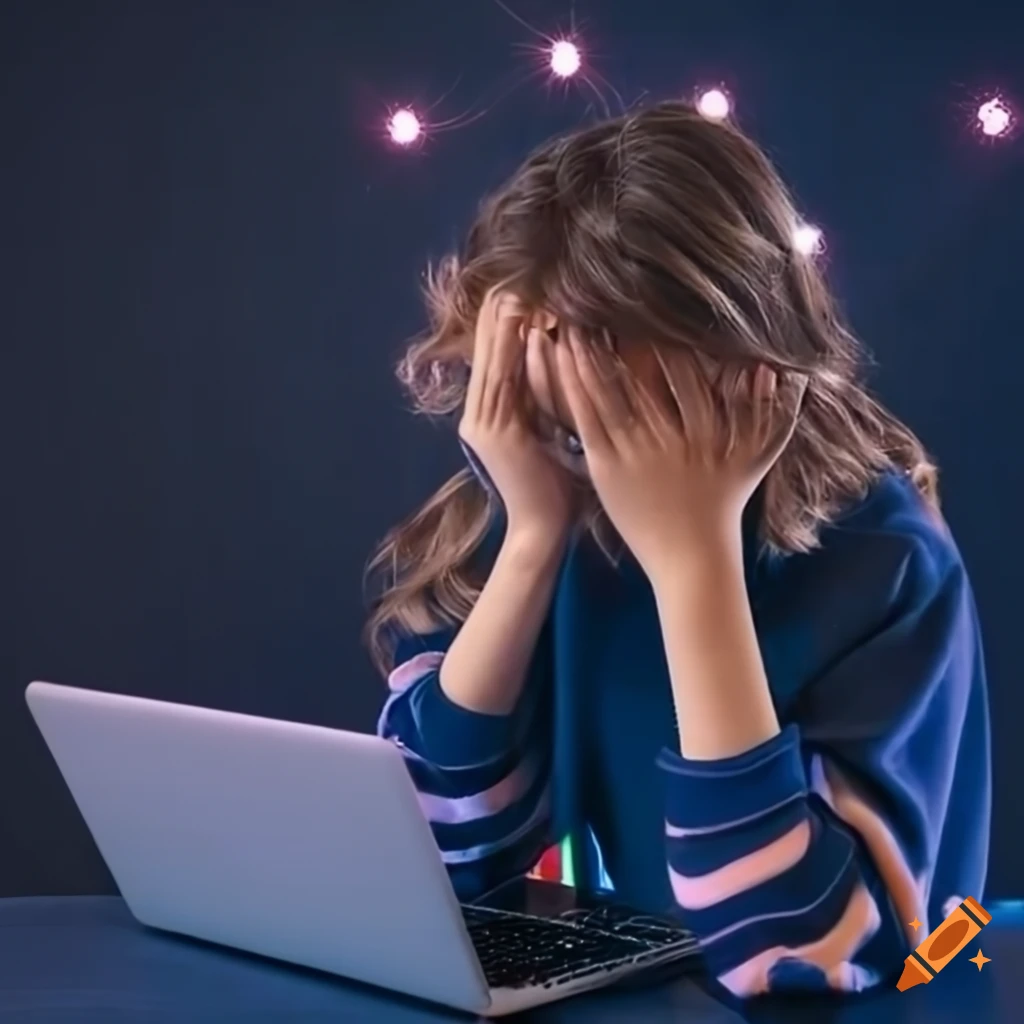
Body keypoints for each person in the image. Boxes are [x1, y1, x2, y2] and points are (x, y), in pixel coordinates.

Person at [364, 100, 990, 998]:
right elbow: (438, 866)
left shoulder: (885, 561)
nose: (590, 467)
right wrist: (533, 536)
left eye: (624, 424)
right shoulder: (539, 498)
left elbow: (802, 960)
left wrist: (694, 560)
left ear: (751, 366)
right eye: (558, 424)